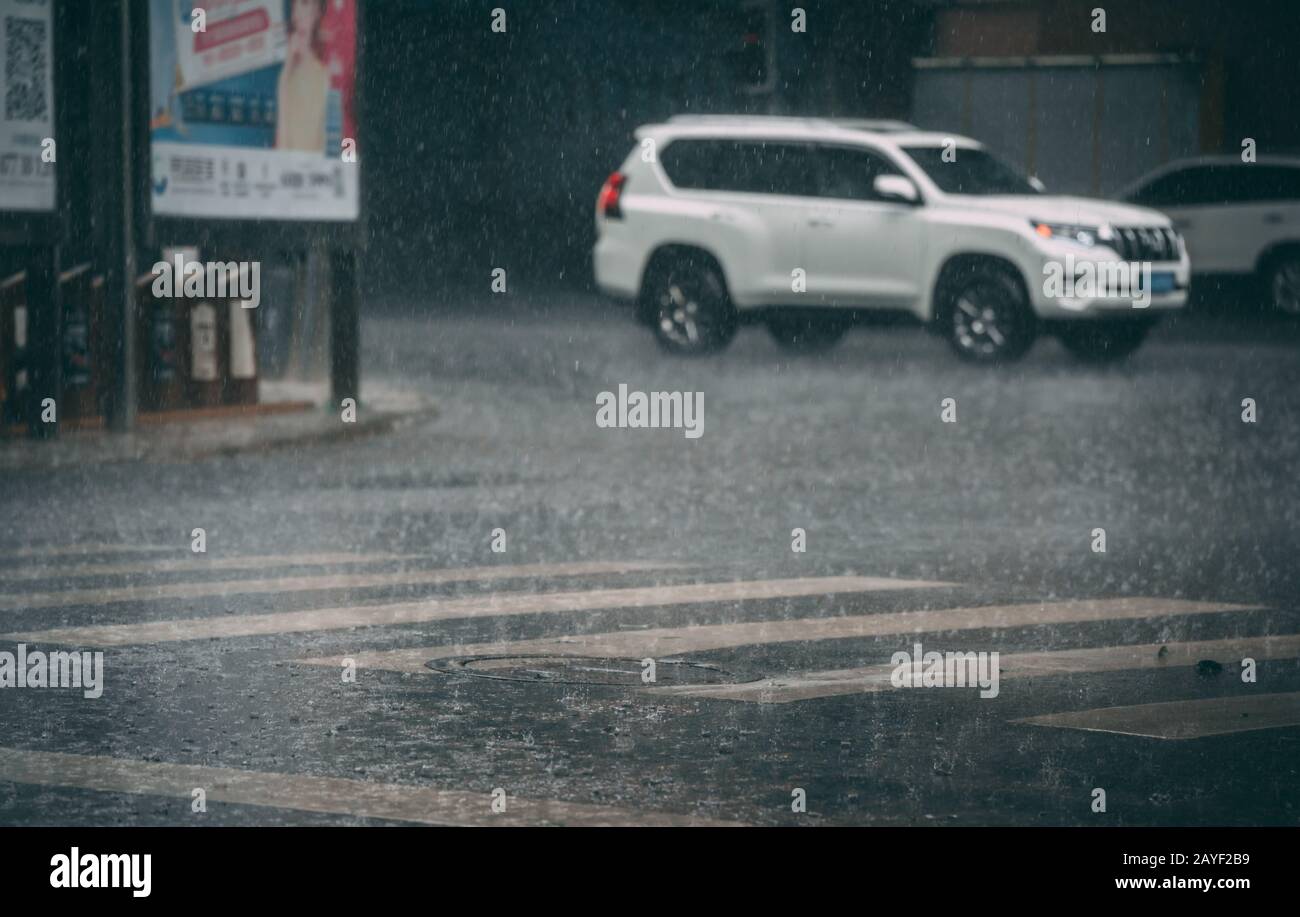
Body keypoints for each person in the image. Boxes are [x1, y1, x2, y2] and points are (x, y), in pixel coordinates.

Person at [276, 0, 329, 152]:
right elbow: (282, 143)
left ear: (318, 11)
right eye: (295, 6)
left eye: (305, 3)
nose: (298, 13)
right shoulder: (286, 77)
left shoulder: (324, 76)